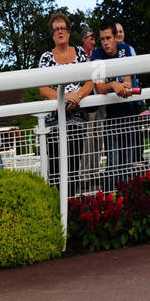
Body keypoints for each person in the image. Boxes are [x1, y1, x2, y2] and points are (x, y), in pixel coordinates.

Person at [37, 11, 93, 188]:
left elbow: (90, 82)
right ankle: (56, 210)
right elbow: (43, 88)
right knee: (55, 170)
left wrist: (77, 96)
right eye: (56, 29)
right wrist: (63, 97)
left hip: (77, 120)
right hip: (54, 122)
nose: (60, 32)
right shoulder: (46, 58)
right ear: (52, 34)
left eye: (63, 28)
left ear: (68, 32)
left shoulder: (80, 54)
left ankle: (71, 209)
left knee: (73, 169)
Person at [91, 21, 141, 190]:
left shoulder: (125, 50)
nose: (105, 42)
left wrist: (122, 85)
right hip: (109, 116)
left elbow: (127, 81)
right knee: (112, 163)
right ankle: (111, 201)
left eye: (108, 38)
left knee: (127, 163)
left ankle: (127, 202)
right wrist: (113, 85)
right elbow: (99, 87)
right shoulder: (96, 54)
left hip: (128, 114)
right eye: (102, 39)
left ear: (115, 38)